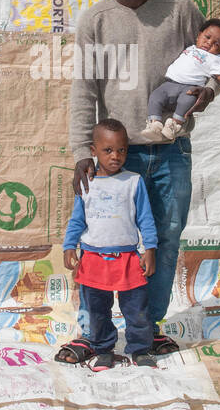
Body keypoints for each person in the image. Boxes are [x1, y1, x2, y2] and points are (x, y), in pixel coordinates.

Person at [59, 0, 215, 365]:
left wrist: (205, 95)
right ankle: (93, 333)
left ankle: (150, 327)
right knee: (100, 241)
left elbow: (210, 70)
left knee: (163, 240)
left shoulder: (181, 10)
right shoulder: (97, 20)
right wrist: (81, 154)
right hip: (114, 161)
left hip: (169, 151)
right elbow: (84, 90)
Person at [60, 120, 158, 369]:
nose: (116, 156)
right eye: (108, 150)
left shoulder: (133, 182)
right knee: (96, 310)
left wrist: (150, 250)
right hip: (93, 259)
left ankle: (140, 349)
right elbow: (77, 219)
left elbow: (145, 219)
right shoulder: (86, 183)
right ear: (93, 151)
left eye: (122, 150)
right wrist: (69, 246)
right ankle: (103, 349)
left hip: (127, 258)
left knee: (137, 309)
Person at [140, 17, 220, 141]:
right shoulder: (191, 48)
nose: (209, 43)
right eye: (207, 37)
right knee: (155, 96)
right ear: (199, 35)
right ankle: (154, 124)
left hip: (190, 88)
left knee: (186, 101)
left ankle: (174, 125)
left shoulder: (214, 60)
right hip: (170, 83)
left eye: (216, 44)